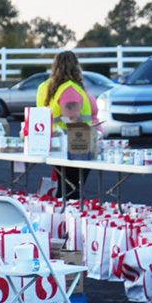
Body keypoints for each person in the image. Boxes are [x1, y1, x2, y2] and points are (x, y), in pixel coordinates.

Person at [36, 50, 98, 199]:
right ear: (76, 66)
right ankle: (69, 219)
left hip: (54, 141)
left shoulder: (44, 87)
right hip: (76, 143)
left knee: (66, 187)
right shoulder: (69, 88)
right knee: (72, 189)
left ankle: (62, 216)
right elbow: (73, 118)